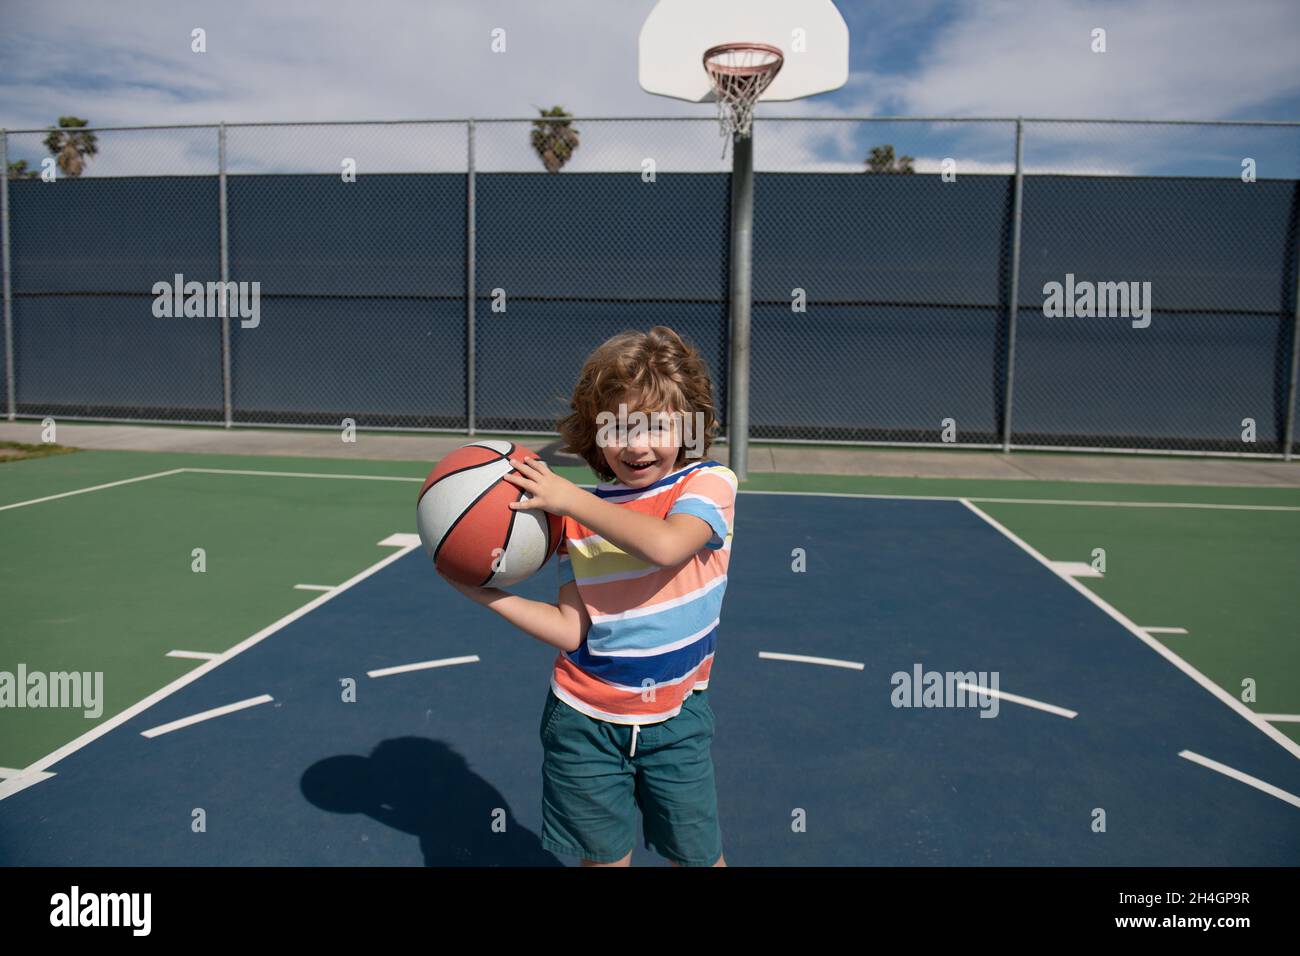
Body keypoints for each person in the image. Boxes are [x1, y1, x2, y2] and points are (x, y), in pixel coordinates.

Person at [441, 326, 737, 866]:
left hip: (675, 722)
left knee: (699, 858)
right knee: (602, 861)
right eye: (619, 426)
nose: (636, 444)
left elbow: (667, 546)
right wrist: (483, 592)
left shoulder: (708, 485)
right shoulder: (579, 516)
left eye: (656, 425)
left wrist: (571, 499)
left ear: (690, 425)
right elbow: (573, 629)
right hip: (584, 722)